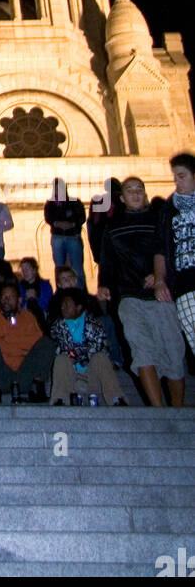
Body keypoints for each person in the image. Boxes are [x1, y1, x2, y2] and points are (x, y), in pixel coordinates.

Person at [98, 176, 185, 408]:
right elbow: (107, 262)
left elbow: (173, 252)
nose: (135, 193)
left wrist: (160, 276)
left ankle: (177, 411)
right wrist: (104, 285)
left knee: (174, 354)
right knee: (142, 350)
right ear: (122, 197)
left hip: (160, 296)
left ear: (145, 193)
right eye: (130, 189)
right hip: (129, 297)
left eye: (140, 189)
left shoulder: (160, 220)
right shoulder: (112, 227)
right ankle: (158, 412)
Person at [0, 281, 55, 403]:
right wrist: (21, 349)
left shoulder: (28, 316)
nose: (6, 300)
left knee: (47, 343)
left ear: (19, 300)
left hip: (25, 374)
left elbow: (37, 342)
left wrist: (6, 340)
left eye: (10, 297)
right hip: (0, 374)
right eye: (3, 297)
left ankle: (37, 389)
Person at [49, 289, 126, 405]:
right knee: (61, 359)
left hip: (92, 375)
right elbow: (62, 350)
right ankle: (59, 400)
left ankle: (116, 399)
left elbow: (97, 349)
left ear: (78, 307)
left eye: (67, 305)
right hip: (71, 377)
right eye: (62, 305)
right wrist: (78, 352)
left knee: (100, 357)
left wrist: (75, 352)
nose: (63, 308)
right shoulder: (58, 326)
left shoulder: (95, 324)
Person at [153, 152, 195, 358]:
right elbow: (161, 248)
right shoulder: (169, 209)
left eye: (182, 176)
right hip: (184, 282)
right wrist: (160, 281)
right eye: (175, 177)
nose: (177, 182)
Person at [43, 179, 86, 287]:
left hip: (73, 237)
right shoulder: (50, 204)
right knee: (59, 267)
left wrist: (72, 224)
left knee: (77, 268)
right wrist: (58, 223)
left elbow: (81, 217)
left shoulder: (74, 202)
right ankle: (61, 292)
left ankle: (80, 294)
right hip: (57, 237)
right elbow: (49, 218)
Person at [87, 177, 122, 264]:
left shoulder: (98, 200)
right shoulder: (122, 199)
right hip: (115, 235)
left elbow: (92, 222)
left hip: (101, 235)